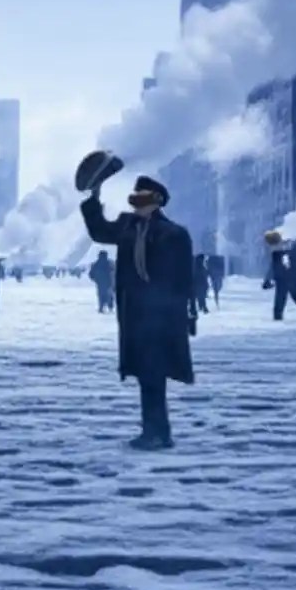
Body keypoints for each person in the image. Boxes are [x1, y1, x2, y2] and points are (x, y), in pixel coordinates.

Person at [80, 174, 196, 451]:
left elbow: (184, 278)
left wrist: (187, 311)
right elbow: (99, 231)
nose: (136, 206)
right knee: (146, 374)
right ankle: (153, 431)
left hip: (163, 315)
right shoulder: (127, 227)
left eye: (142, 200)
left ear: (157, 201)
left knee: (155, 373)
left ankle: (158, 433)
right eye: (134, 200)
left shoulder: (174, 234)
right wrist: (94, 197)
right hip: (136, 316)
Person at [262, 231, 296, 321]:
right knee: (293, 293)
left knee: (283, 294)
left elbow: (276, 266)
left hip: (287, 275)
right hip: (289, 274)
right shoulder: (289, 246)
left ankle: (278, 315)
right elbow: (275, 266)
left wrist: (269, 278)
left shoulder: (284, 249)